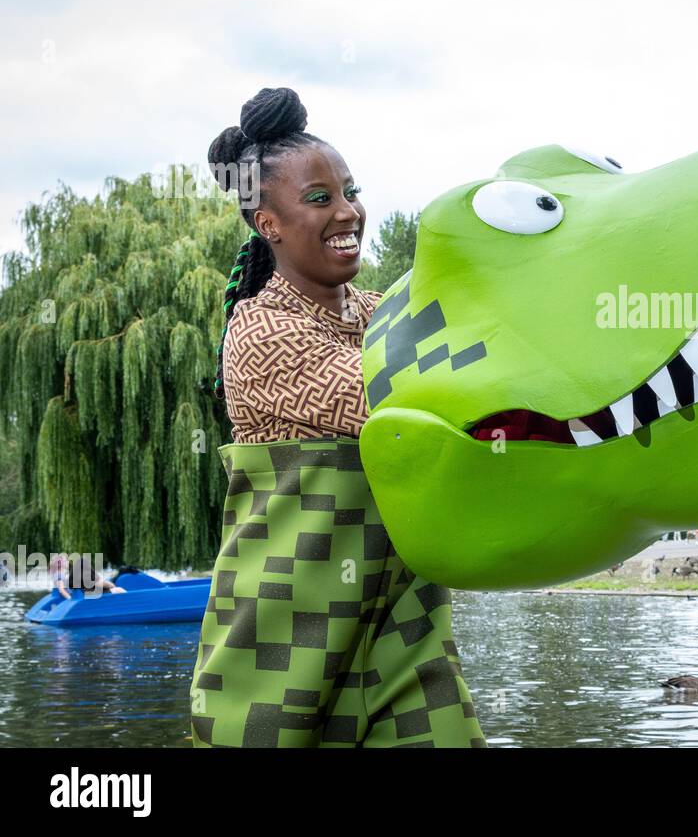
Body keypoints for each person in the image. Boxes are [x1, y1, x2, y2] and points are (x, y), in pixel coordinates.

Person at [190, 87, 484, 748]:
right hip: (283, 646)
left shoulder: (382, 312)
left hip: (402, 636)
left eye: (350, 191)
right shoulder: (263, 334)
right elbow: (406, 406)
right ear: (269, 224)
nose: (348, 211)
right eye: (320, 199)